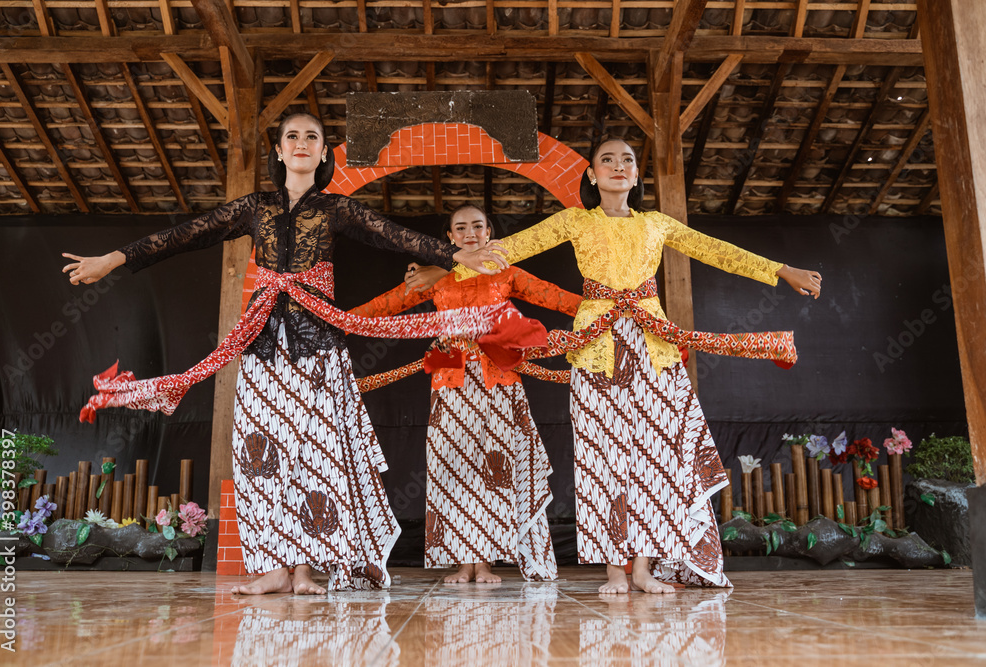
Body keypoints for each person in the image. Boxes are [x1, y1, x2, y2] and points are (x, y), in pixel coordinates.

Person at [61, 113, 508, 596]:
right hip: (262, 343)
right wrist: (114, 258)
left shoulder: (336, 209)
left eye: (311, 137)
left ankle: (305, 570)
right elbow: (185, 234)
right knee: (260, 456)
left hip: (319, 345)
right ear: (278, 151)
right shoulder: (255, 207)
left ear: (322, 154)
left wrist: (453, 255)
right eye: (291, 136)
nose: (301, 143)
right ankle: (274, 566)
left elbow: (395, 234)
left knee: (319, 456)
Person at [454, 138, 821, 594]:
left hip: (652, 342)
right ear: (591, 175)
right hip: (596, 346)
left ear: (636, 175)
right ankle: (612, 570)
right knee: (599, 456)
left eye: (626, 159)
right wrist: (450, 261)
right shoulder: (575, 220)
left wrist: (782, 270)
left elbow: (717, 250)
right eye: (606, 160)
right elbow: (513, 247)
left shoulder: (657, 224)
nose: (617, 166)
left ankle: (643, 570)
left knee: (654, 457)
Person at [351, 204, 581, 584]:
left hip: (499, 382)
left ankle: (487, 562)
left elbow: (554, 297)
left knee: (496, 469)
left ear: (489, 232)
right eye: (461, 228)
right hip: (450, 380)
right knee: (451, 469)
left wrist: (610, 307)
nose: (470, 233)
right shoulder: (435, 277)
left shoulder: (506, 271)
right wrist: (334, 319)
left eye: (478, 225)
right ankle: (462, 561)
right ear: (450, 238)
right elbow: (383, 307)